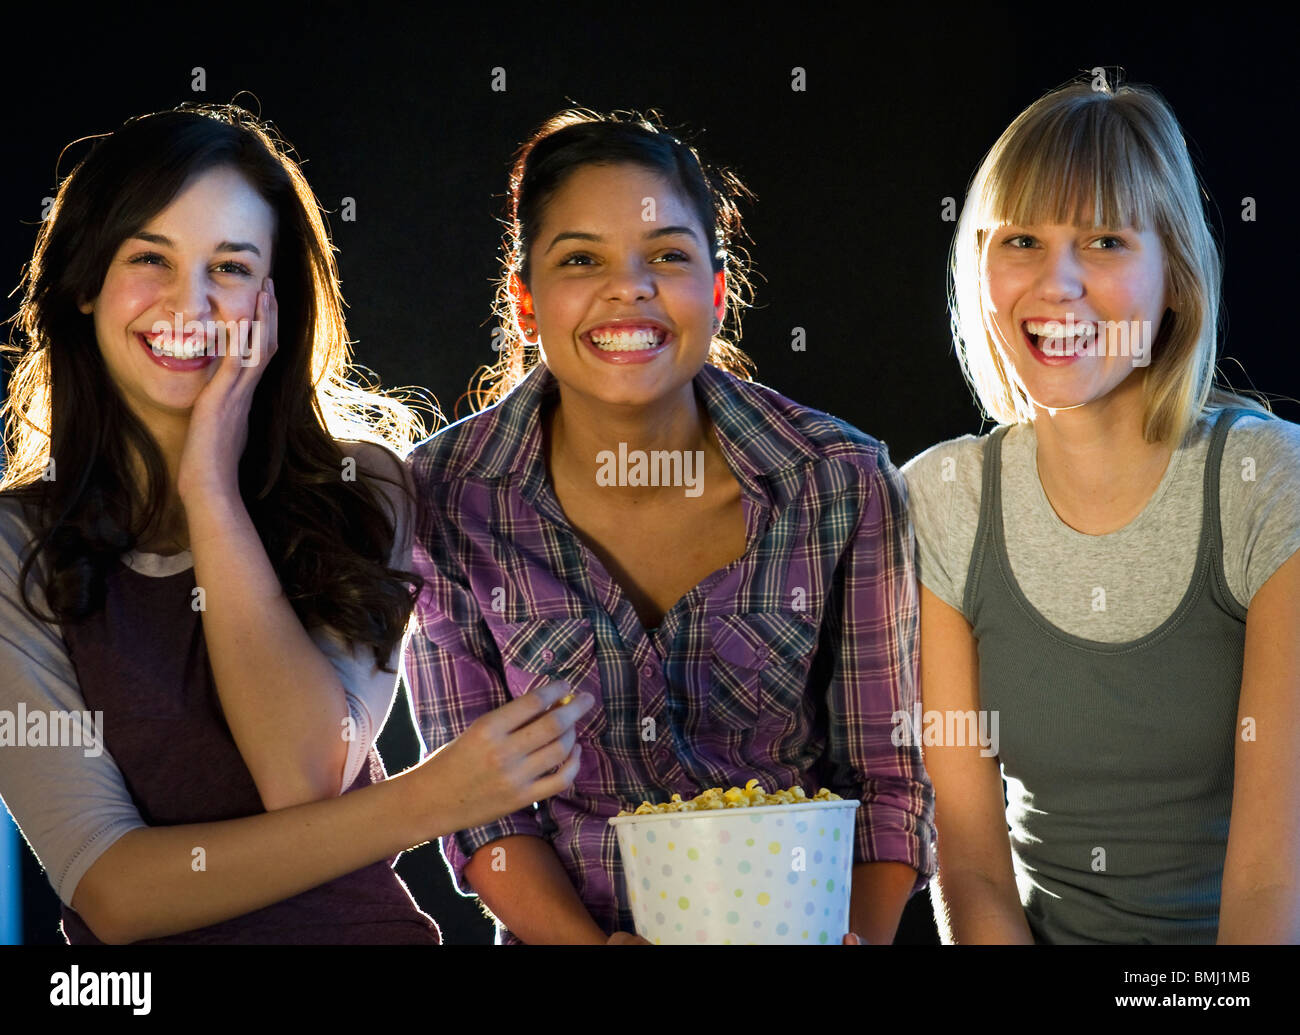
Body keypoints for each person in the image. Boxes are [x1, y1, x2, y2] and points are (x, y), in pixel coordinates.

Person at [0, 104, 591, 944]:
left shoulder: (362, 487)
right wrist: (428, 800)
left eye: (230, 266)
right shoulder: (15, 550)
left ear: (276, 299)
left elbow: (303, 774)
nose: (188, 302)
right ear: (86, 282)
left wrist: (211, 488)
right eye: (149, 258)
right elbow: (114, 891)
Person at [405, 109, 936, 945]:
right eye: (581, 259)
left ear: (718, 293)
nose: (630, 288)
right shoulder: (441, 496)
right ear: (526, 299)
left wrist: (851, 944)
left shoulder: (841, 481)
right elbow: (481, 820)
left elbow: (889, 786)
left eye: (667, 257)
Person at [901, 78, 1300, 944]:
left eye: (1106, 240)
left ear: (1176, 275)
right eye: (1022, 240)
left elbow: (1276, 880)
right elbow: (968, 864)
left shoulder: (1271, 482)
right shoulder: (941, 500)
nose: (1059, 282)